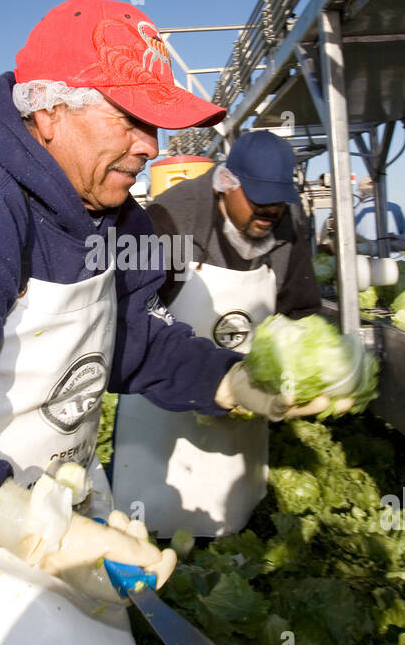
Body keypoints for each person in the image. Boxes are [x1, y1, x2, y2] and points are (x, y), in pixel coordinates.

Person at [0, 0, 335, 645]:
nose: (150, 146)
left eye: (153, 123)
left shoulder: (114, 220)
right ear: (49, 112)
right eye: (129, 118)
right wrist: (43, 535)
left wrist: (230, 381)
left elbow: (130, 340)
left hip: (45, 495)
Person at [111, 130, 322, 538]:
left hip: (244, 398)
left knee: (230, 513)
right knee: (151, 520)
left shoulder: (288, 227)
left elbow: (300, 310)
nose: (270, 211)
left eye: (279, 200)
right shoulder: (170, 218)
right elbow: (134, 320)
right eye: (260, 199)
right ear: (227, 183)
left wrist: (306, 369)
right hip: (162, 407)